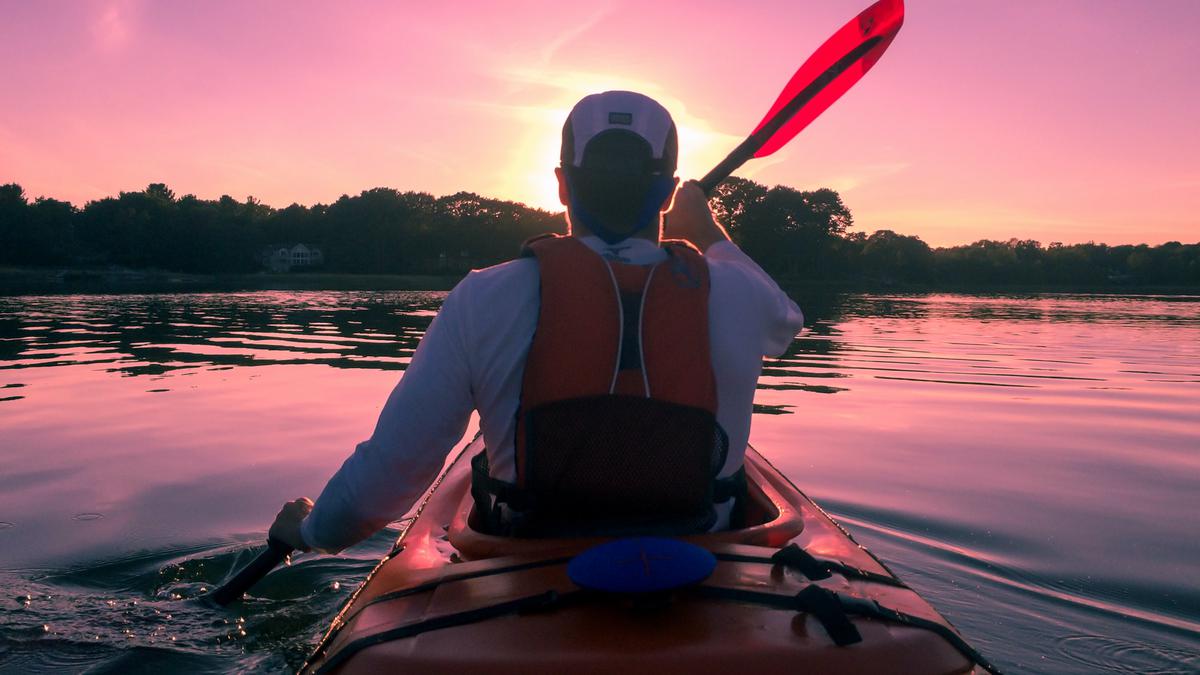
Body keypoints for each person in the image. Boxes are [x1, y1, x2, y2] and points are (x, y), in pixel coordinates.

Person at [269, 90, 805, 552]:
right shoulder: (738, 292)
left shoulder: (484, 297)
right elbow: (788, 321)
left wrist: (311, 532)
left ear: (562, 185)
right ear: (667, 192)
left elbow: (384, 481)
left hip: (528, 562)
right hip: (704, 564)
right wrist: (706, 230)